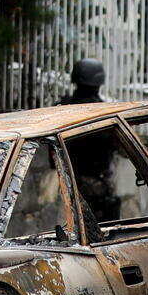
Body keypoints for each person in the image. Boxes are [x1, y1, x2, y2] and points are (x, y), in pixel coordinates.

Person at [58, 58, 118, 226]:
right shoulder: (101, 111)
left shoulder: (64, 106)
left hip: (70, 178)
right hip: (96, 181)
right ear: (98, 82)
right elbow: (116, 144)